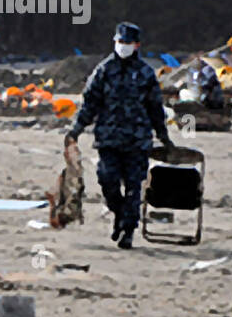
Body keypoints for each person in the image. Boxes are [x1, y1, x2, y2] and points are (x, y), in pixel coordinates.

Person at [64, 22, 173, 249]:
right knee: (108, 181)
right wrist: (77, 129)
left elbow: (155, 107)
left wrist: (163, 136)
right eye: (120, 42)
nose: (123, 46)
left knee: (134, 186)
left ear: (137, 45)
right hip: (109, 138)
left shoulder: (145, 73)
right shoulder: (104, 71)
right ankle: (119, 214)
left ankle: (128, 230)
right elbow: (90, 103)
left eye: (127, 42)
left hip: (137, 139)